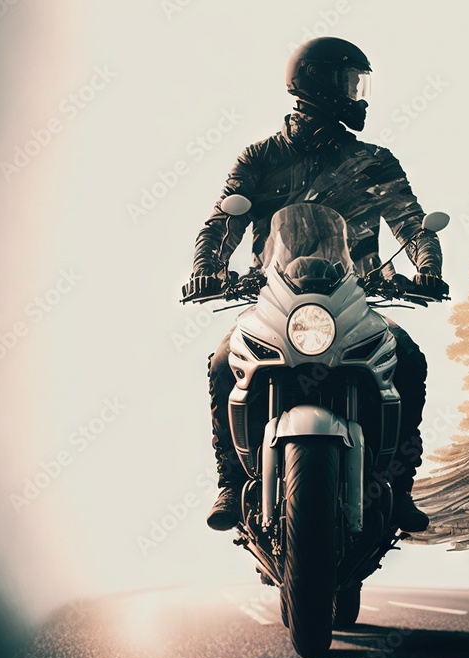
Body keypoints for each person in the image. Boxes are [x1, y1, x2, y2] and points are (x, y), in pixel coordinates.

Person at [182, 37, 447, 534]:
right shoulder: (259, 158)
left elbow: (412, 223)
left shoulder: (374, 161)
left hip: (354, 299)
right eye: (351, 82)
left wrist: (427, 264)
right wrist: (207, 268)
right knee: (222, 362)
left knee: (408, 358)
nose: (359, 95)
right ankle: (229, 481)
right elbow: (222, 222)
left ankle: (400, 485)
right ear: (321, 85)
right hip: (273, 298)